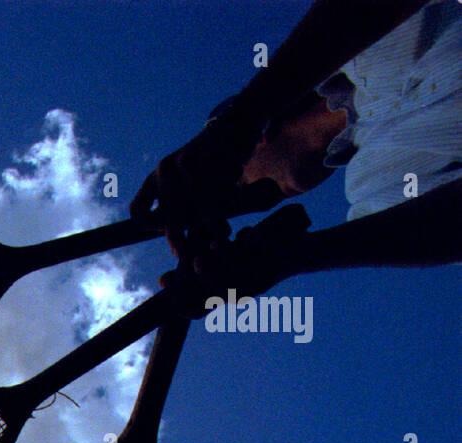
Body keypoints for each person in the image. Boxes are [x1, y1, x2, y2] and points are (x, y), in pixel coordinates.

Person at [129, 0, 462, 304]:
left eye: (239, 182)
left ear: (259, 138)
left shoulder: (357, 51)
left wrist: (242, 118)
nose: (252, 203)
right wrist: (292, 258)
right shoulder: (373, 193)